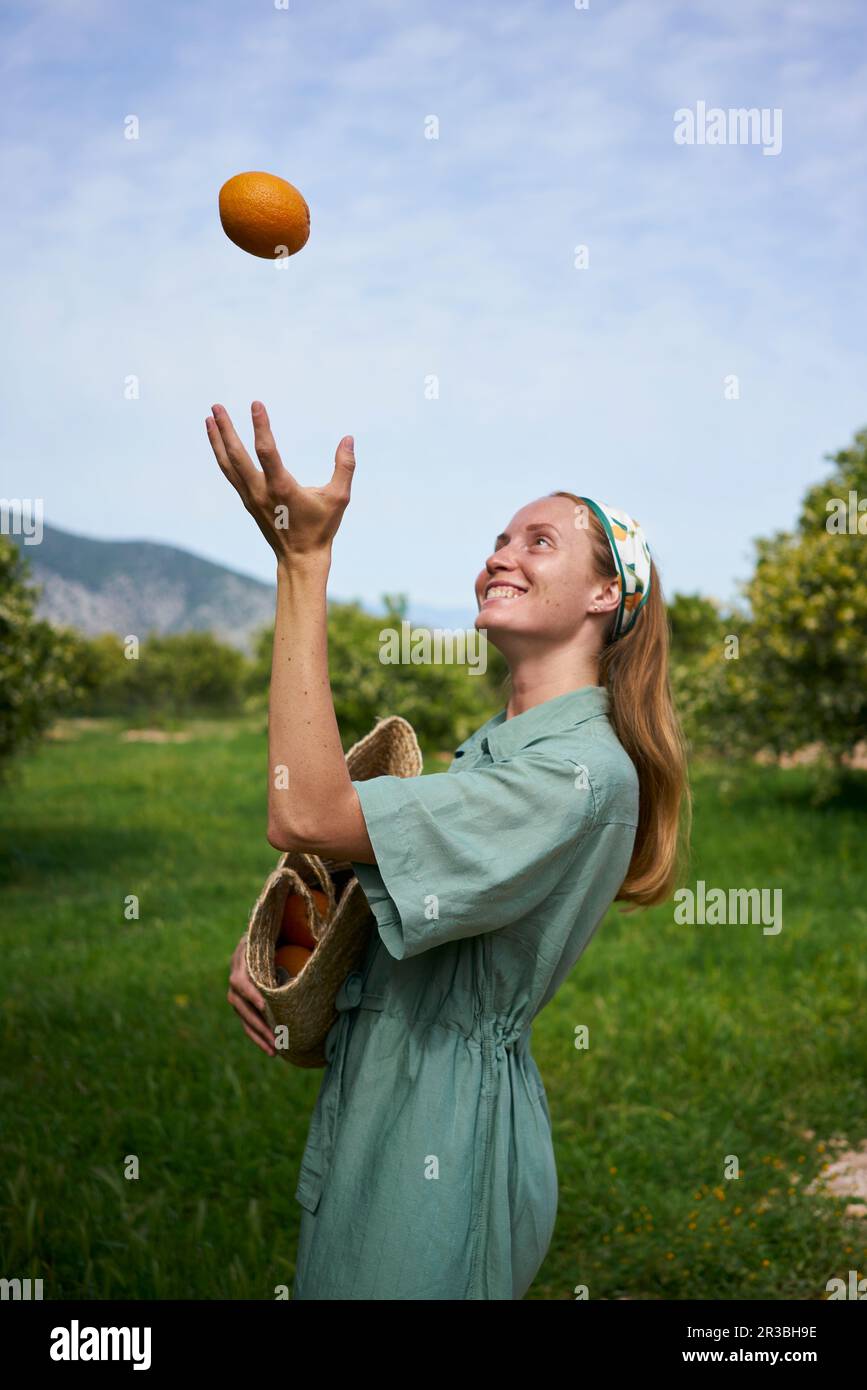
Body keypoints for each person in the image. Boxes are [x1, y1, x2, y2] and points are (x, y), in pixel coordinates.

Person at [208, 401, 690, 1300]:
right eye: (498, 538)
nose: (499, 554)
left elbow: (305, 814)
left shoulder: (578, 776)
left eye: (538, 541)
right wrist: (302, 976)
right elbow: (412, 961)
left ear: (604, 595)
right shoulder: (497, 752)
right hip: (387, 1114)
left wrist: (302, 564)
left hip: (442, 1144)